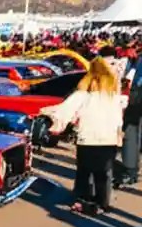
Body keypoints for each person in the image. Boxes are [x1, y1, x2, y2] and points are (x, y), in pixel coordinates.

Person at [40, 57, 125, 215]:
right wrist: (118, 137)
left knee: (85, 172)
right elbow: (118, 120)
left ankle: (83, 200)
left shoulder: (83, 95)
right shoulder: (113, 97)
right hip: (109, 140)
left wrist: (47, 113)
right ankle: (102, 203)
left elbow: (63, 111)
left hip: (88, 139)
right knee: (104, 174)